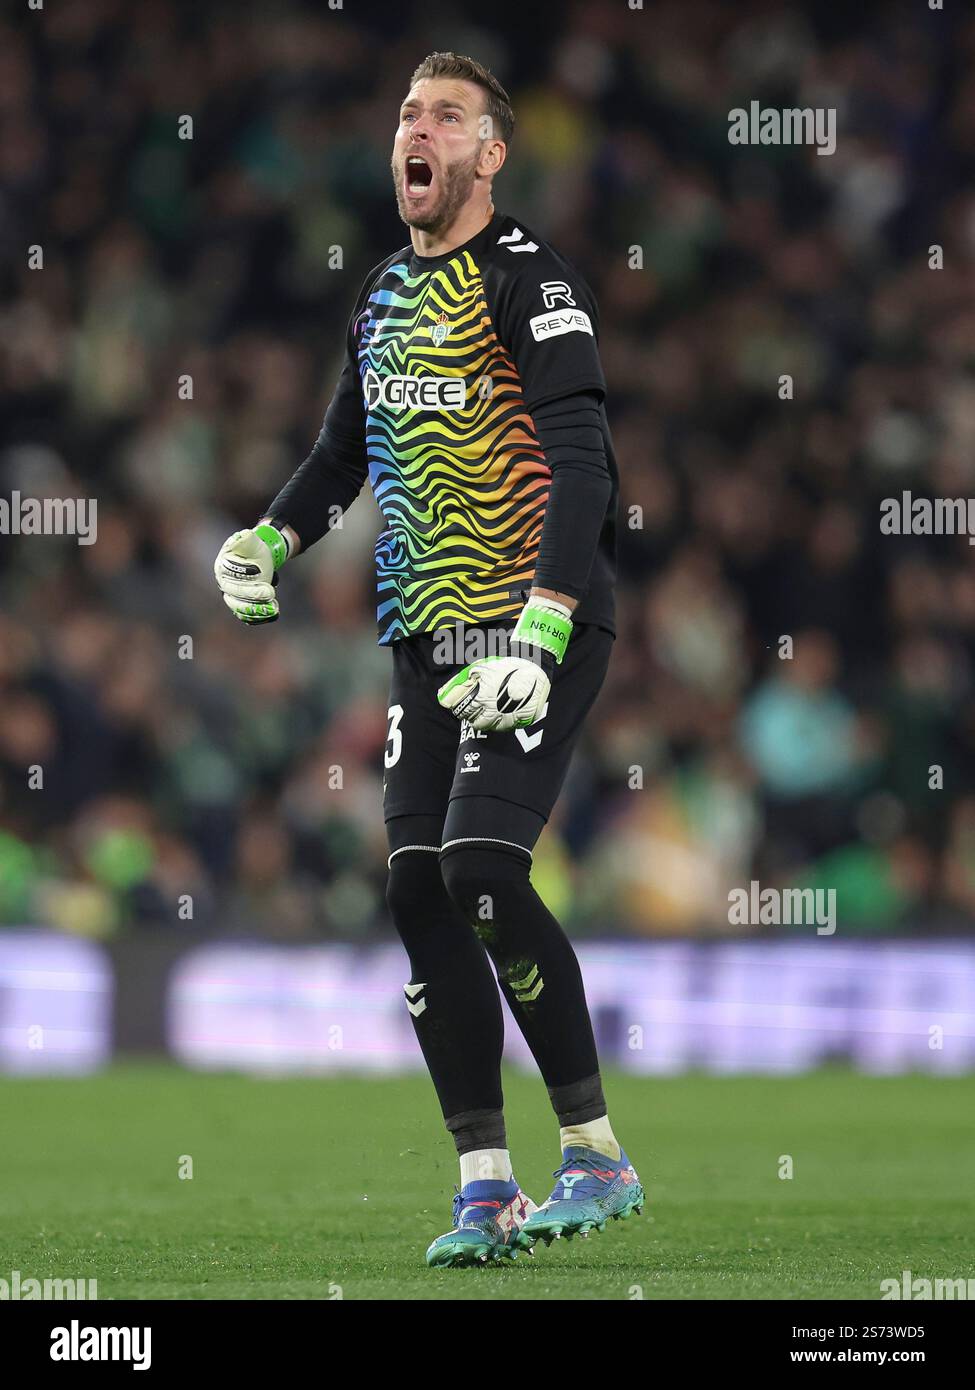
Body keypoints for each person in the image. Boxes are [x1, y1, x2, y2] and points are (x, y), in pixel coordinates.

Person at [214, 51, 643, 1268]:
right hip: (425, 636)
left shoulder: (531, 282)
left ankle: (597, 1153)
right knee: (416, 886)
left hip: (532, 621)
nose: (420, 128)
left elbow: (584, 462)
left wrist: (544, 626)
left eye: (448, 115)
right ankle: (485, 1185)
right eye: (408, 112)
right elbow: (340, 455)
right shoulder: (383, 293)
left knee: (481, 869)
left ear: (490, 155)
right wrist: (269, 538)